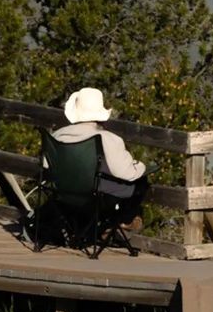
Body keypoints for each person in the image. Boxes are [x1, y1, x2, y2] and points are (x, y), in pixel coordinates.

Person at [52, 87, 150, 233]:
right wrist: (141, 166)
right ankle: (121, 220)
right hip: (94, 193)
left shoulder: (58, 136)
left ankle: (87, 226)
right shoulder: (107, 138)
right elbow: (127, 173)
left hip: (63, 191)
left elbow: (46, 164)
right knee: (140, 183)